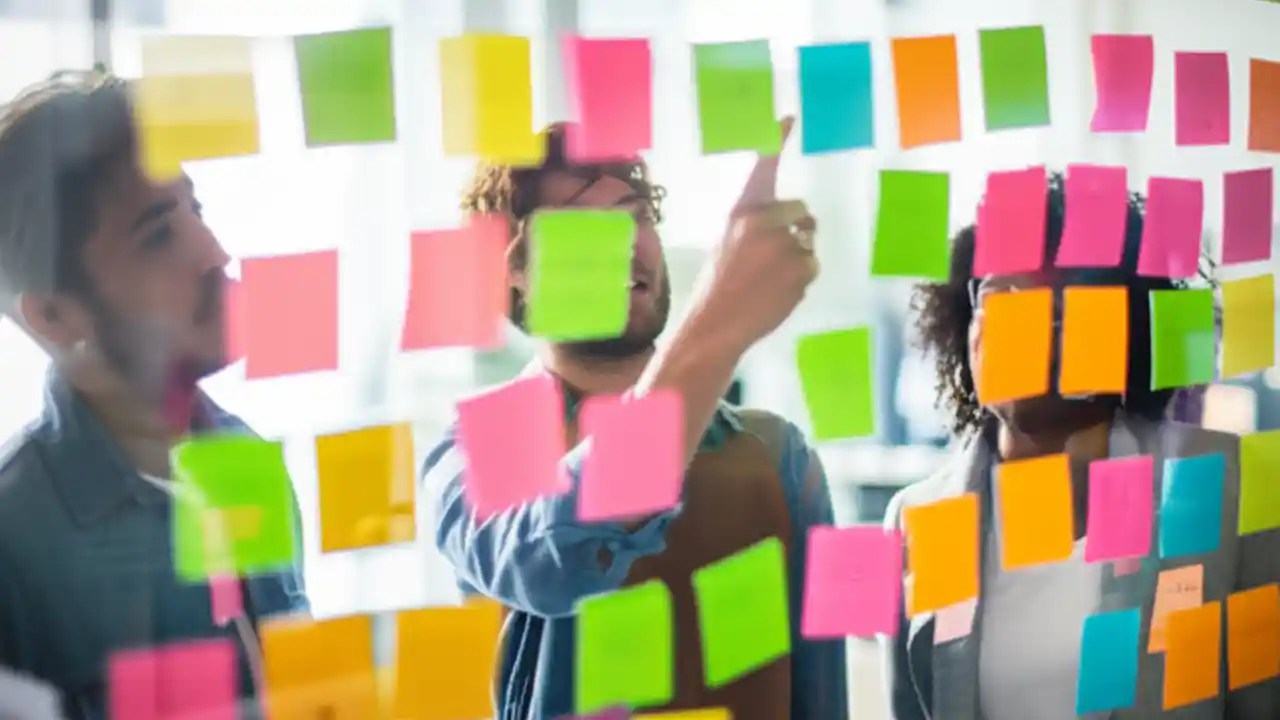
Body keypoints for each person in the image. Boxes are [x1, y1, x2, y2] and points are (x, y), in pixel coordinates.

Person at [422, 120, 848, 720]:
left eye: (636, 214)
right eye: (581, 225)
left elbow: (820, 695)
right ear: (513, 268)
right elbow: (545, 564)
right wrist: (718, 323)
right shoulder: (485, 442)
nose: (623, 242)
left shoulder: (778, 455)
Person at [883, 172, 1280, 719]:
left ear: (1130, 333)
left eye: (1065, 310)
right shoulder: (917, 519)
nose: (1027, 329)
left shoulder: (1223, 485)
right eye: (1002, 296)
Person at [0, 71, 307, 718]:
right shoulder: (14, 543)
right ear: (54, 315)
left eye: (197, 212)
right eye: (159, 235)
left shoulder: (247, 461)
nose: (215, 254)